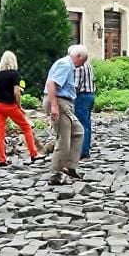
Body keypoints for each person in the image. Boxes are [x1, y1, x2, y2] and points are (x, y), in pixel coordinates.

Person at [0, 51, 41, 167]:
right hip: (10, 106)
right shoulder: (14, 74)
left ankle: (1, 159)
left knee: (0, 132)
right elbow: (17, 92)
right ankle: (34, 153)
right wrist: (20, 106)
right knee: (26, 127)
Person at [44, 44, 87, 185]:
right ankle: (55, 173)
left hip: (63, 102)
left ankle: (69, 167)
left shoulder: (65, 64)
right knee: (64, 139)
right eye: (82, 62)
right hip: (60, 102)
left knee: (78, 132)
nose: (81, 66)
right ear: (78, 56)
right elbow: (51, 84)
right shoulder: (65, 65)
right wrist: (55, 106)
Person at [73, 51, 96, 159]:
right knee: (87, 123)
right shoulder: (89, 66)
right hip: (90, 95)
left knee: (81, 124)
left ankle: (82, 151)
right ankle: (86, 148)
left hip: (81, 96)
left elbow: (76, 86)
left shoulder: (79, 67)